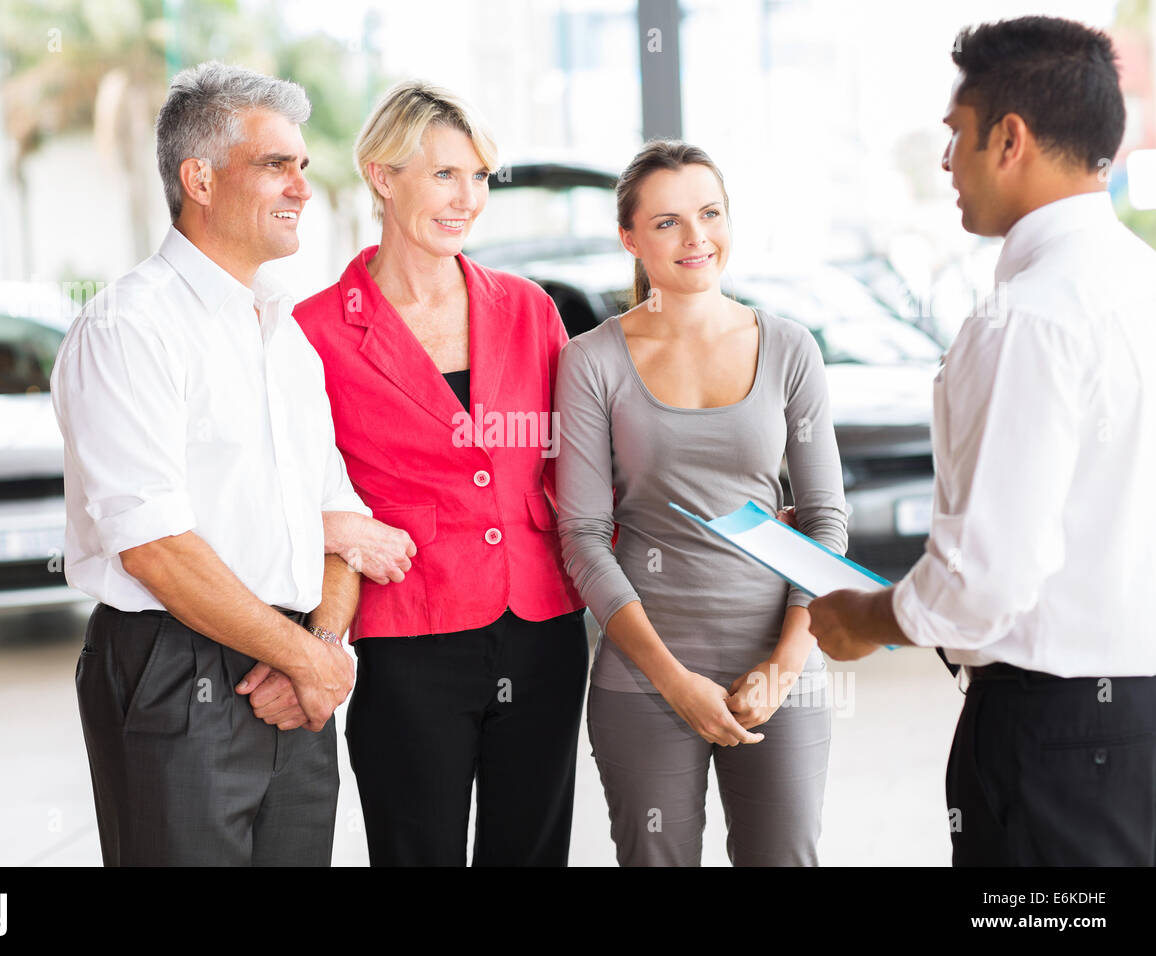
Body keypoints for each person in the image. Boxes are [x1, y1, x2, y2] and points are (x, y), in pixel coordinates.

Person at [809, 16, 1156, 867]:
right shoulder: (1141, 283)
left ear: (1011, 139)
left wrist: (867, 618)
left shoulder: (1027, 318)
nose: (944, 163)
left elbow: (988, 577)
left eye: (955, 135)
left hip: (1056, 739)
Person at [51, 61, 368, 866]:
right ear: (199, 178)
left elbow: (341, 525)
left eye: (302, 163)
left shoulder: (284, 339)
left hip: (295, 672)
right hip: (172, 662)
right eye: (275, 164)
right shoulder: (131, 328)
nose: (301, 184)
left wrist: (320, 648)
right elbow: (154, 546)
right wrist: (309, 663)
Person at [293, 80, 588, 867]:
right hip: (411, 635)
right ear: (383, 178)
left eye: (480, 177)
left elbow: (580, 462)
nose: (468, 199)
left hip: (542, 624)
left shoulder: (530, 309)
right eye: (446, 175)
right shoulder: (314, 331)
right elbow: (291, 485)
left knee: (530, 853)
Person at [555, 140, 848, 867]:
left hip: (779, 662)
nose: (696, 238)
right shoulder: (591, 360)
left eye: (710, 213)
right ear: (630, 238)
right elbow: (584, 536)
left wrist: (785, 662)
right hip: (645, 672)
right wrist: (671, 679)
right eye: (667, 223)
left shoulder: (789, 347)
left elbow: (824, 520)